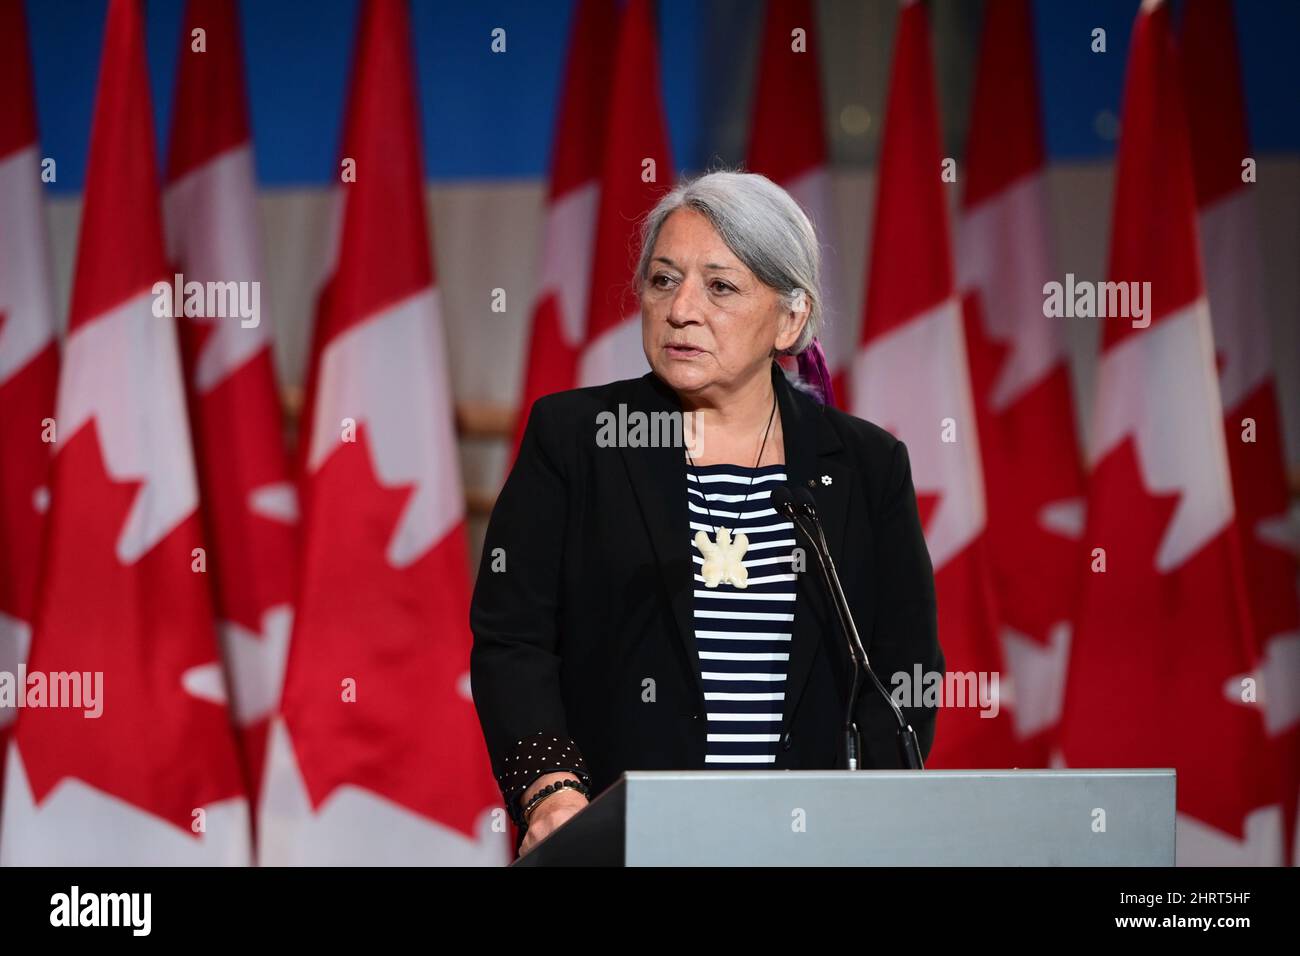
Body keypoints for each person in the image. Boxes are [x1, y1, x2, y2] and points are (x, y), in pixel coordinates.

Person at [470, 170, 943, 857]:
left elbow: (902, 671)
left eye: (720, 287)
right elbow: (513, 642)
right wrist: (551, 792)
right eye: (664, 280)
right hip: (620, 843)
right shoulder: (576, 440)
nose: (681, 309)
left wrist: (861, 824)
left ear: (790, 318)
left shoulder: (866, 467)